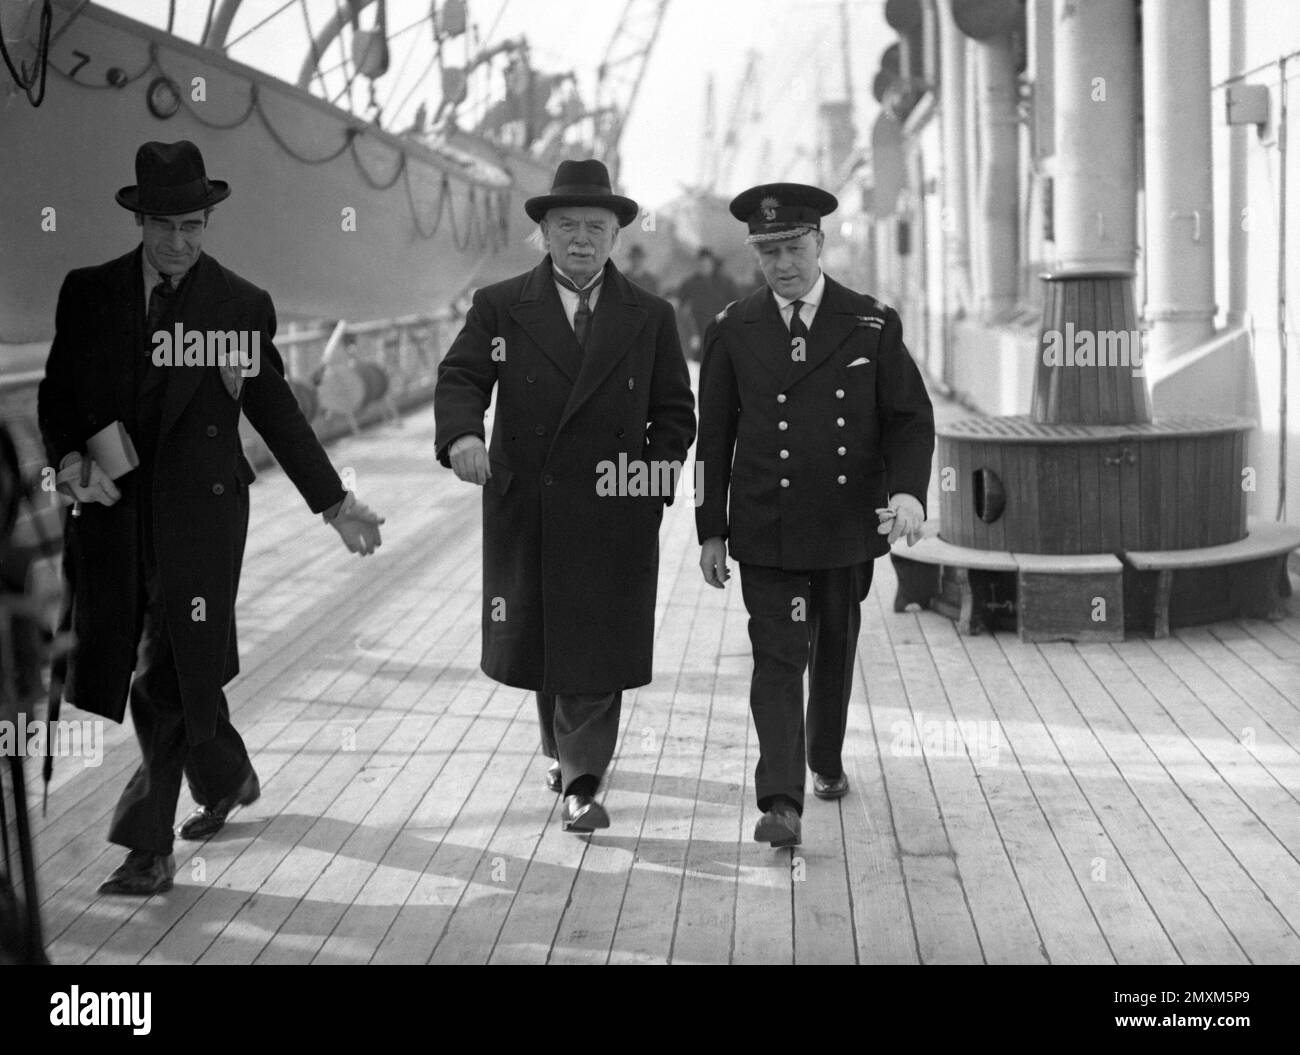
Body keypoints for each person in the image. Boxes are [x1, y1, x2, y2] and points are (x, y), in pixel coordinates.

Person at [37, 140, 385, 896]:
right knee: (172, 663)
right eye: (165, 225)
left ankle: (146, 846)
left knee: (161, 672)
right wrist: (69, 464)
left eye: (193, 225)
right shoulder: (89, 294)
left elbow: (279, 416)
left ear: (207, 221)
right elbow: (58, 398)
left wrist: (336, 503)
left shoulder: (238, 306)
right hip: (113, 516)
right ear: (139, 219)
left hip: (203, 519)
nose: (180, 242)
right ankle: (226, 772)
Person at [434, 159, 695, 833]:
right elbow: (462, 374)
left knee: (596, 647)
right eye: (568, 225)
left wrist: (648, 487)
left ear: (615, 236)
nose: (582, 239)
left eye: (597, 227)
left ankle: (584, 780)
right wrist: (462, 435)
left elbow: (674, 414)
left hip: (616, 510)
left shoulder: (651, 316)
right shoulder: (499, 307)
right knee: (547, 635)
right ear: (544, 232)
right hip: (531, 504)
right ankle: (559, 747)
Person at [695, 182, 935, 848]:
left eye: (794, 248)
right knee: (776, 658)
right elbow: (710, 439)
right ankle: (780, 800)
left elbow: (910, 419)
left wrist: (910, 491)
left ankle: (824, 755)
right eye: (768, 252)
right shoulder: (733, 328)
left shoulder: (871, 323)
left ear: (819, 244)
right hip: (765, 526)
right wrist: (710, 528)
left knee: (833, 649)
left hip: (844, 522)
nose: (783, 265)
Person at [673, 248, 739, 359]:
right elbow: (677, 302)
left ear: (712, 263)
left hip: (721, 330)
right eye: (701, 262)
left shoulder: (725, 282)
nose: (704, 265)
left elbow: (737, 303)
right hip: (700, 332)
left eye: (706, 262)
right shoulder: (690, 283)